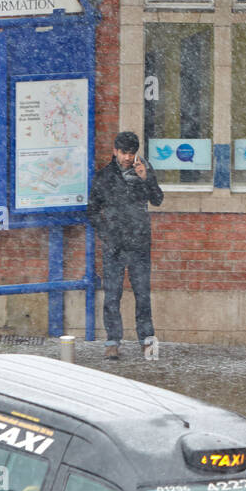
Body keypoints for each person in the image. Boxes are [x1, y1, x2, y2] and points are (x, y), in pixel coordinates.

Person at [86, 132, 164, 359]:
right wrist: (106, 234)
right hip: (114, 246)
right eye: (124, 153)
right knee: (112, 295)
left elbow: (158, 199)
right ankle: (112, 342)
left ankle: (147, 341)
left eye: (131, 153)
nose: (128, 158)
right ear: (115, 151)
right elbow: (92, 211)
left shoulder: (143, 172)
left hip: (139, 243)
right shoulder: (104, 177)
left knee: (143, 294)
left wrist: (146, 178)